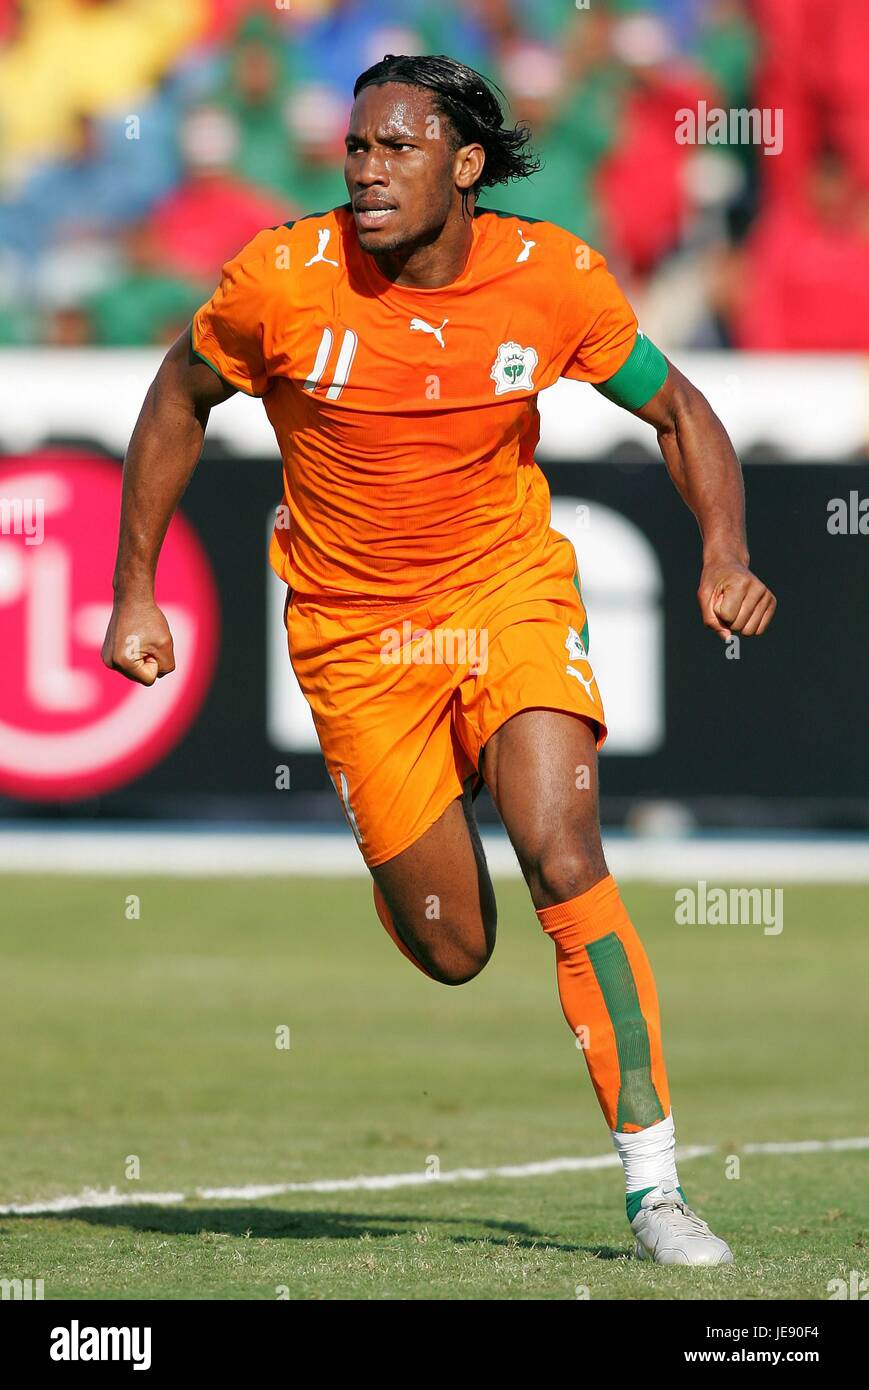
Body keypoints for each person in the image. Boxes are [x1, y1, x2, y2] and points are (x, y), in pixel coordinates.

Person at [102, 54, 776, 1265]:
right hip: (358, 643)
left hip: (504, 592)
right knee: (453, 948)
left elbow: (677, 410)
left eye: (395, 148)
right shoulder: (283, 282)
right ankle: (405, 826)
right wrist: (134, 590)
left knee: (562, 847)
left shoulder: (550, 276)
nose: (364, 170)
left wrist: (721, 550)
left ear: (464, 168)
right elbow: (175, 396)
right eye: (355, 148)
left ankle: (655, 1186)